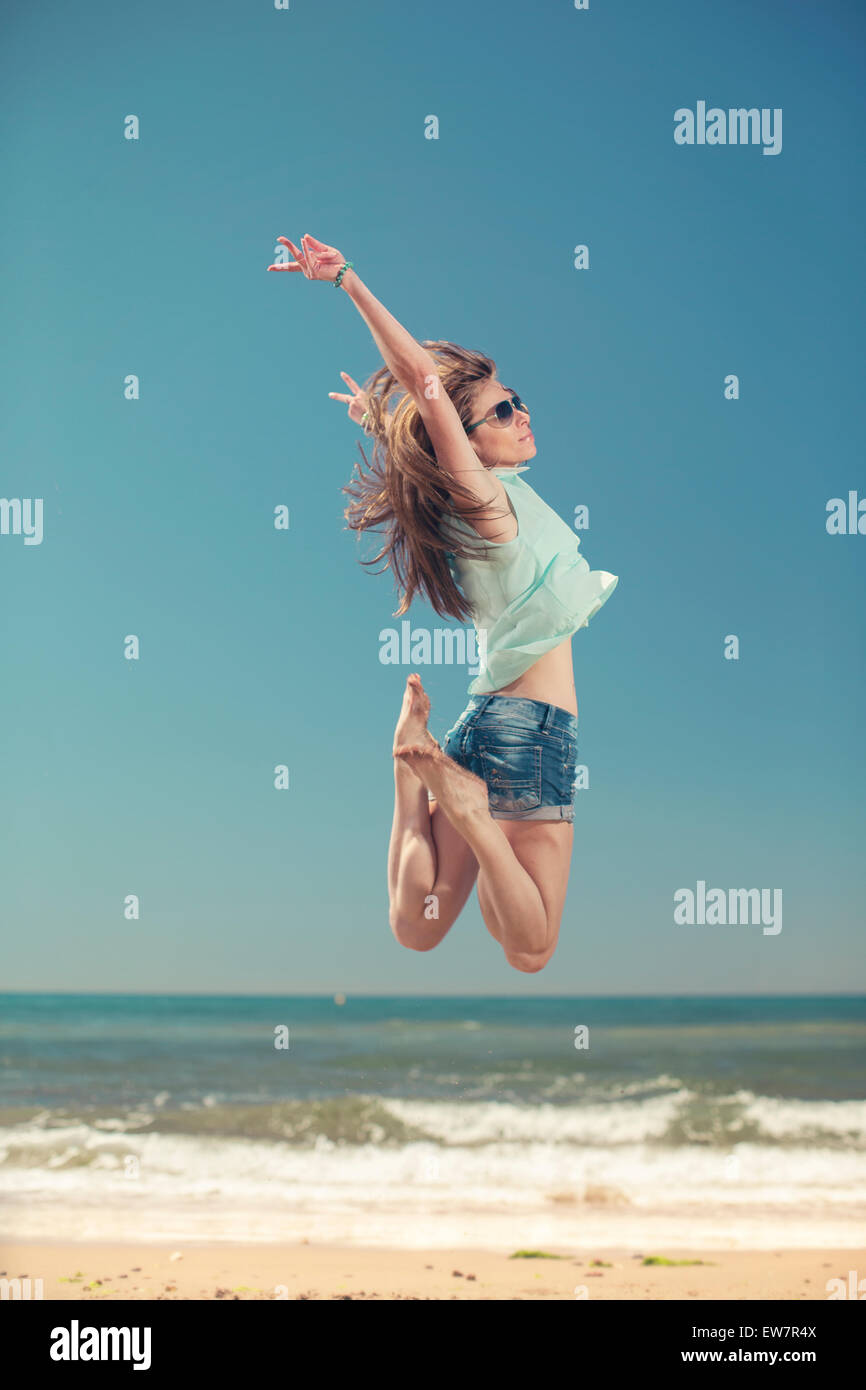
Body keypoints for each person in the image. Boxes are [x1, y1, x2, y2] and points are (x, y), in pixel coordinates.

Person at [268, 234, 618, 972]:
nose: (522, 413)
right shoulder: (485, 502)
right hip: (530, 729)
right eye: (501, 411)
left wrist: (381, 425)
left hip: (484, 724)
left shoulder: (475, 500)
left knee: (416, 927)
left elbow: (431, 432)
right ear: (466, 440)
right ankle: (464, 809)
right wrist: (348, 281)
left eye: (517, 401)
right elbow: (427, 386)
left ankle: (411, 774)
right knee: (531, 946)